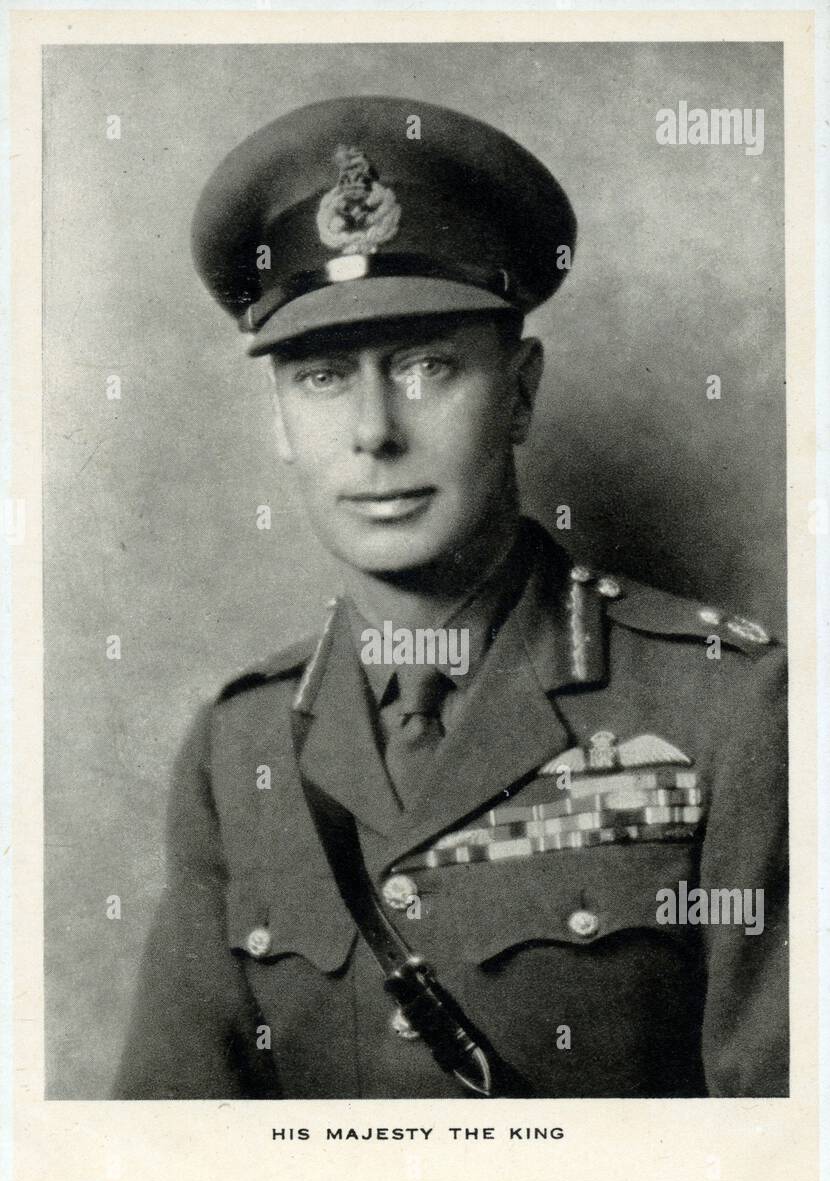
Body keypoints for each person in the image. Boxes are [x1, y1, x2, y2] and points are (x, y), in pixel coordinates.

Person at [114, 95, 787, 1101]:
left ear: (517, 393)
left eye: (427, 365)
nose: (374, 431)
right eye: (323, 377)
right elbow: (164, 1171)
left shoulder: (728, 713)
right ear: (279, 422)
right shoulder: (239, 750)